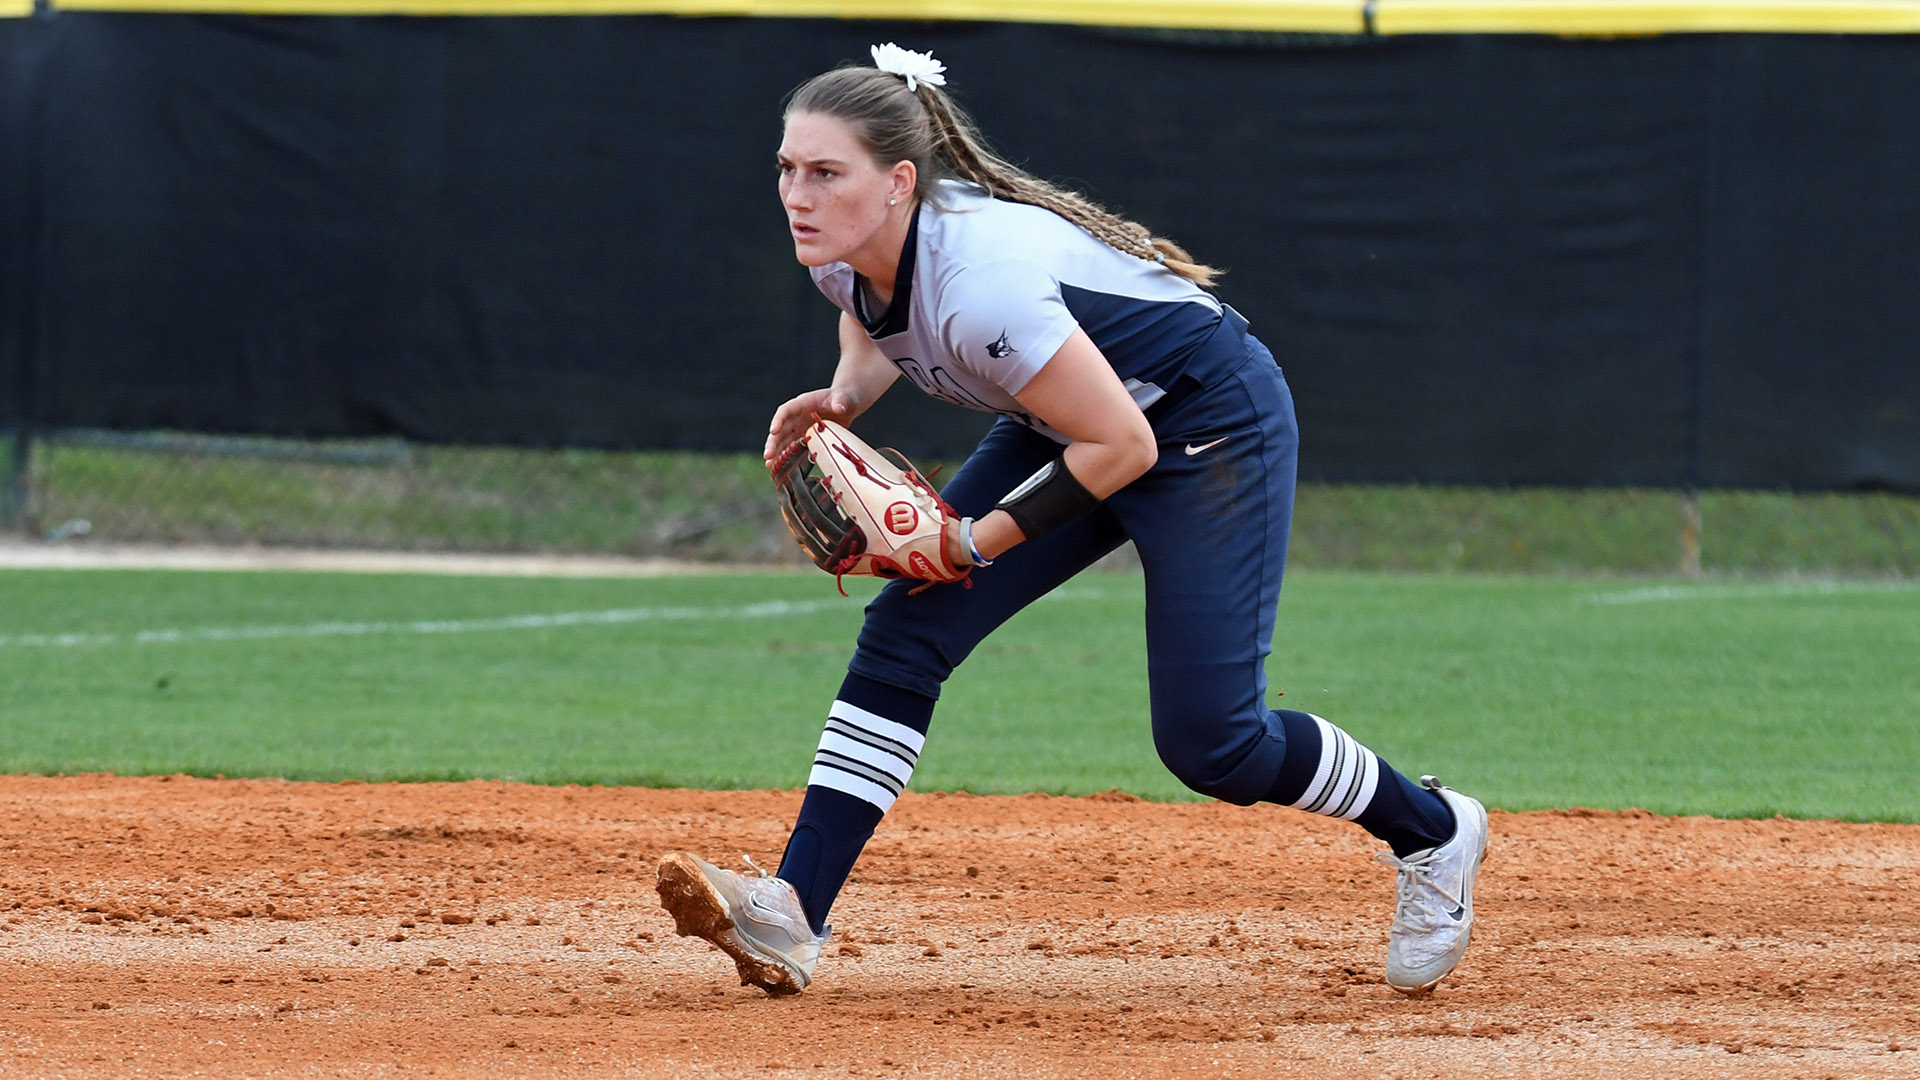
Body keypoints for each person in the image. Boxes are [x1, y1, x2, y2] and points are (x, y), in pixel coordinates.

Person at [656, 42, 1488, 998]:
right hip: (1071, 423)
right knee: (906, 632)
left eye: (825, 173)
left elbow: (1125, 446)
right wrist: (846, 395)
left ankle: (1434, 830)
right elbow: (875, 318)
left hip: (1207, 425)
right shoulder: (841, 253)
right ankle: (793, 911)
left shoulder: (982, 287)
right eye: (787, 169)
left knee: (1214, 745)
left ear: (899, 182)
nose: (797, 196)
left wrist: (972, 542)